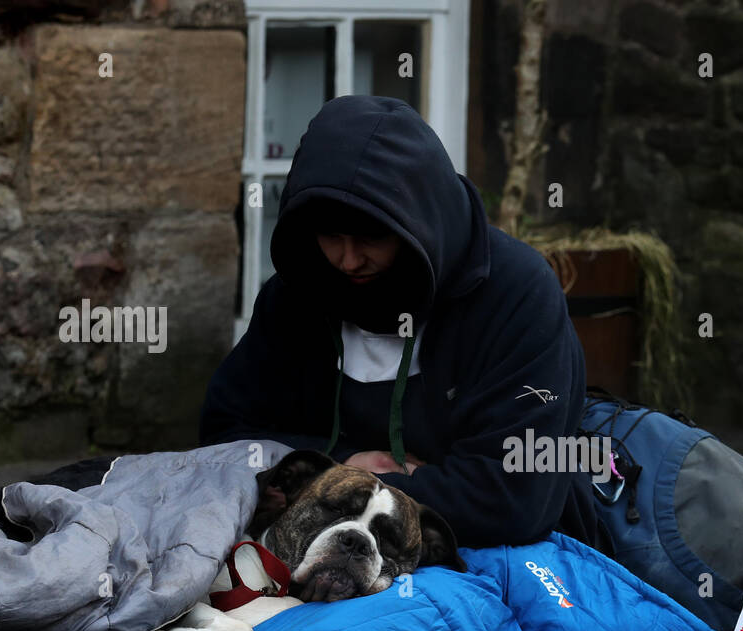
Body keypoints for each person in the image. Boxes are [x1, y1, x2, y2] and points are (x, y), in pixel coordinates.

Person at [201, 95, 610, 553]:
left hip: (496, 558)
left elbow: (514, 499)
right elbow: (226, 440)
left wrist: (351, 489)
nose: (348, 260)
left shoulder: (518, 296)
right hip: (322, 553)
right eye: (331, 237)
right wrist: (342, 466)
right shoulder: (299, 293)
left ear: (419, 220)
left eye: (372, 237)